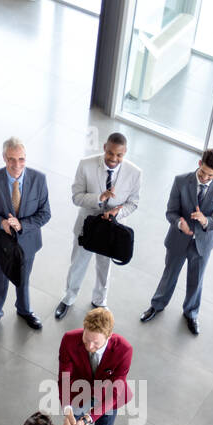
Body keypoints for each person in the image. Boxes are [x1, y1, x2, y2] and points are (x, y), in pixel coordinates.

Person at [141, 148, 213, 335]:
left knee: (196, 280)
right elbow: (170, 212)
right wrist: (179, 223)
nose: (205, 178)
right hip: (179, 238)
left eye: (210, 175)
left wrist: (206, 221)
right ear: (199, 163)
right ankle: (157, 305)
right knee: (169, 274)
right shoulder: (181, 180)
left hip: (203, 243)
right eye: (203, 172)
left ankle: (191, 313)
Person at [57, 132, 141, 320]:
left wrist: (117, 211)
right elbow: (76, 197)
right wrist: (98, 198)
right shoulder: (86, 165)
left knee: (104, 267)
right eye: (110, 153)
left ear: (125, 152)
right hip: (87, 226)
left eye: (119, 155)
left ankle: (99, 301)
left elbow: (133, 203)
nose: (114, 159)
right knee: (78, 263)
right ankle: (68, 298)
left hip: (112, 229)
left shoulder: (135, 173)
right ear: (104, 147)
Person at [0, 136, 50, 337]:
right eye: (11, 159)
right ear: (4, 158)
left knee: (24, 278)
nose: (16, 165)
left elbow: (45, 214)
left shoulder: (39, 179)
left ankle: (24, 310)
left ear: (26, 158)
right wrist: (1, 223)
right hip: (0, 242)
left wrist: (23, 225)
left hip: (27, 242)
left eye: (21, 159)